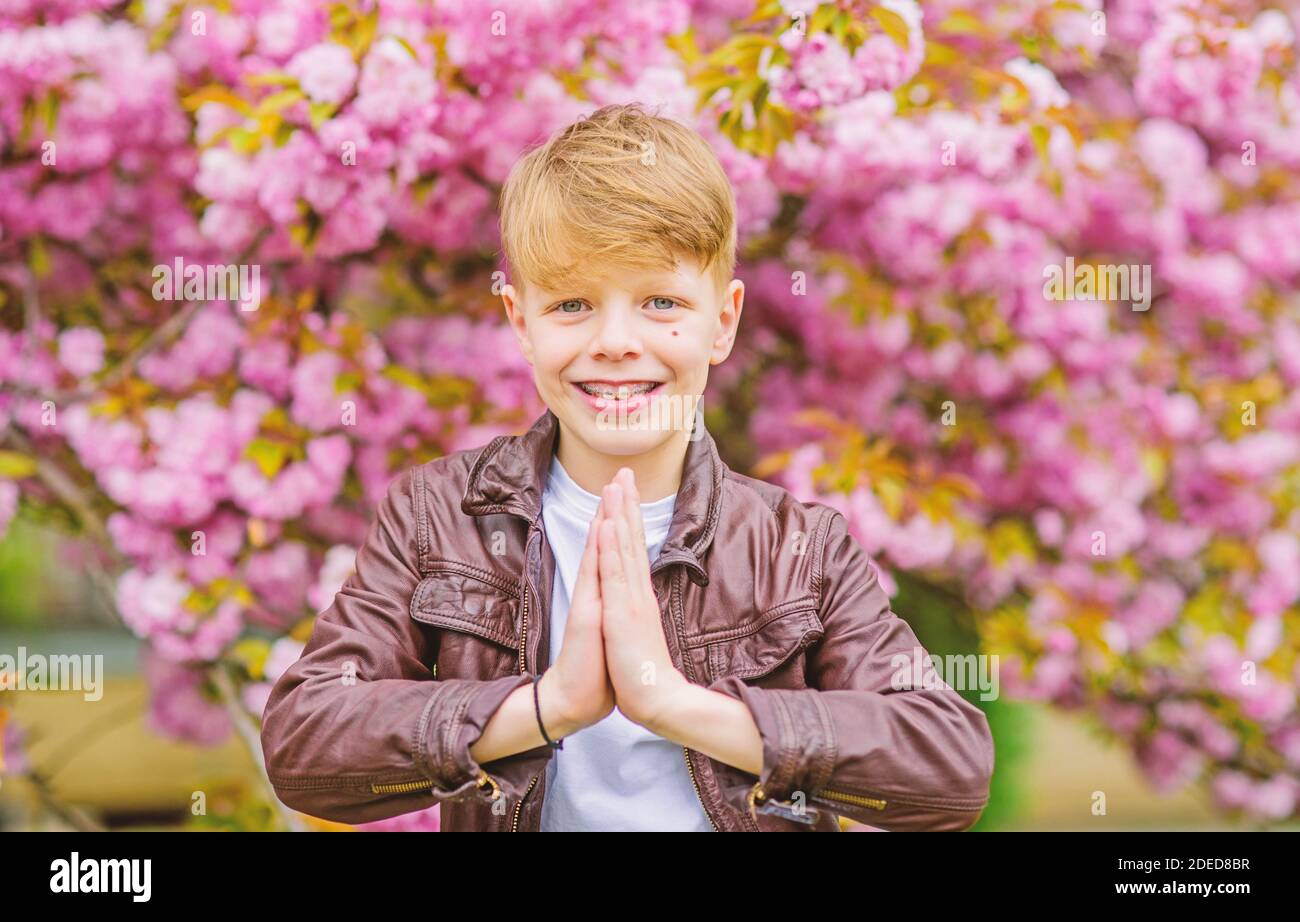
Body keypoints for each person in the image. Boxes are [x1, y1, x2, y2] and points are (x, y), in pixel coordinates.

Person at [259, 102, 994, 832]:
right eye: (573, 304)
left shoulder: (799, 548)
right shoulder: (438, 515)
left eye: (661, 302)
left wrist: (672, 704)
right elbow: (304, 743)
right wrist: (550, 708)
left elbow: (949, 769)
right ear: (521, 323)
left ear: (724, 322)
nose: (615, 341)